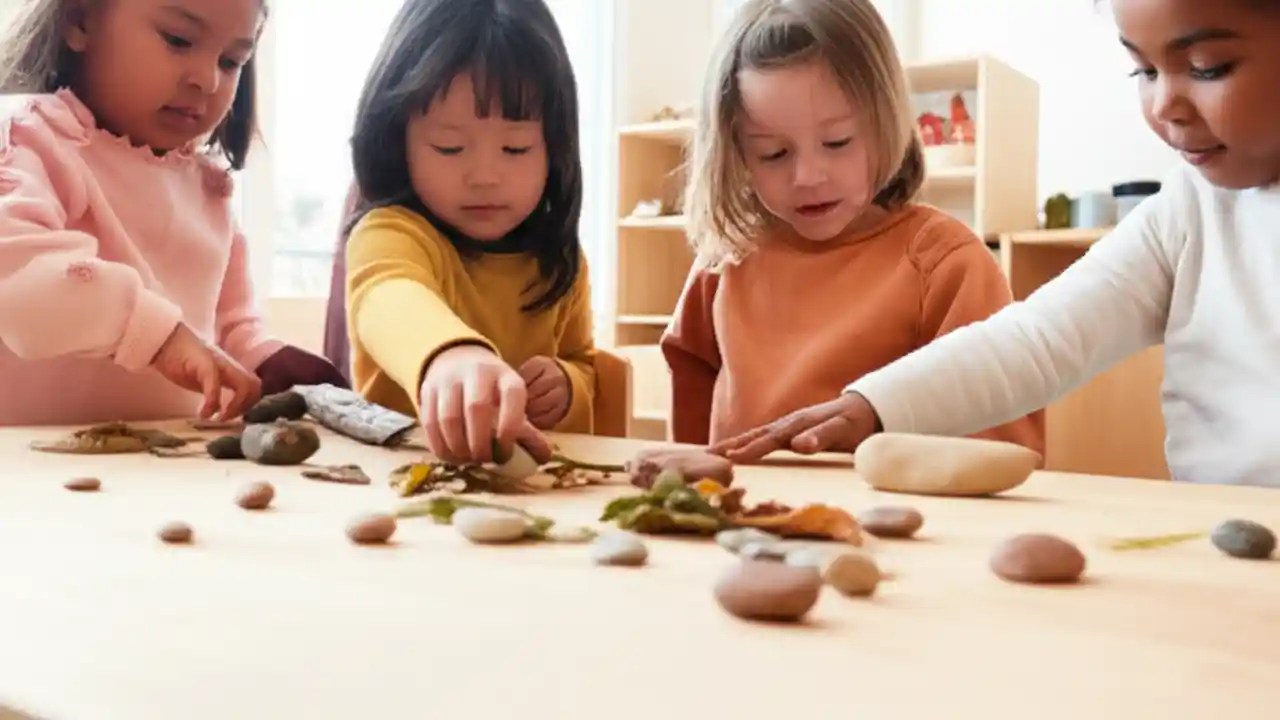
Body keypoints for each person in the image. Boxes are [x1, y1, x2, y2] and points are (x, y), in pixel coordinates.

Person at [714, 0, 1280, 487]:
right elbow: (1037, 341)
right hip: (1227, 540)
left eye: (1208, 68)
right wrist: (870, 407)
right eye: (1143, 71)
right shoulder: (1187, 212)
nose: (1163, 106)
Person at [661, 0, 1044, 453]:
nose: (808, 176)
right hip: (745, 519)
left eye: (837, 141)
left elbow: (999, 445)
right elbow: (690, 436)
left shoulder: (945, 265)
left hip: (899, 521)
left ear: (888, 120)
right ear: (735, 151)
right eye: (773, 153)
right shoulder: (726, 259)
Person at [0, 0, 346, 426]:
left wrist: (262, 358)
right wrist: (158, 338)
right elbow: (16, 279)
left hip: (170, 477)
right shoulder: (24, 141)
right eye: (178, 40)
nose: (207, 78)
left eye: (231, 60)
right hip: (30, 478)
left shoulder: (206, 186)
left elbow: (228, 324)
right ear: (79, 20)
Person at [342, 0, 594, 464]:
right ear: (398, 142)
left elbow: (585, 363)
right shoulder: (391, 232)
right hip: (400, 481)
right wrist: (450, 355)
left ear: (554, 149)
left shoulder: (560, 260)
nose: (484, 175)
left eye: (515, 148)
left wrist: (567, 386)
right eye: (449, 146)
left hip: (529, 489)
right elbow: (388, 296)